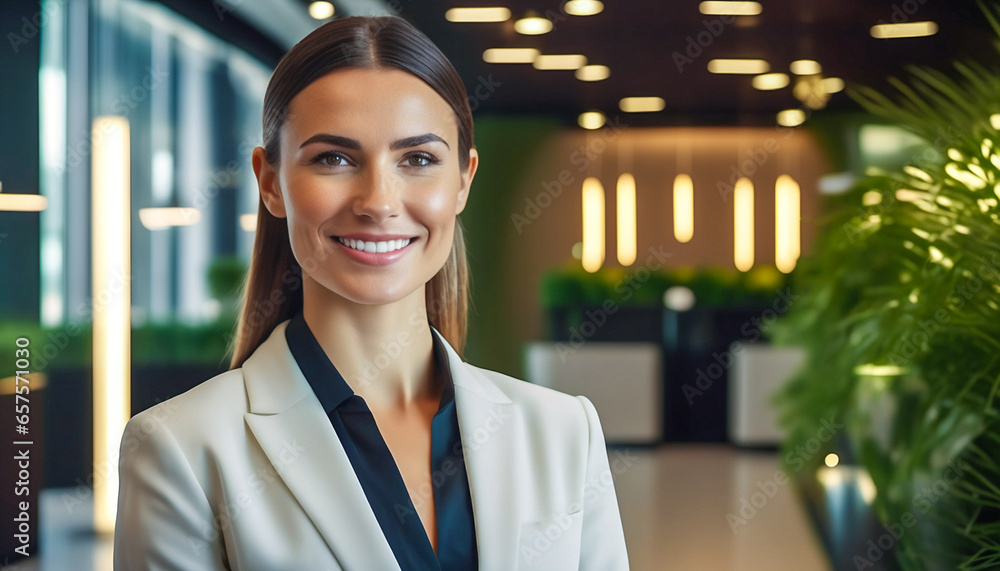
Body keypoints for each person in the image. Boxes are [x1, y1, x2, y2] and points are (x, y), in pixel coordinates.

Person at [113, 14, 629, 571]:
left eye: (418, 160)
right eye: (334, 158)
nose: (378, 201)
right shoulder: (182, 448)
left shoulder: (561, 431)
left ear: (463, 180)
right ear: (270, 181)